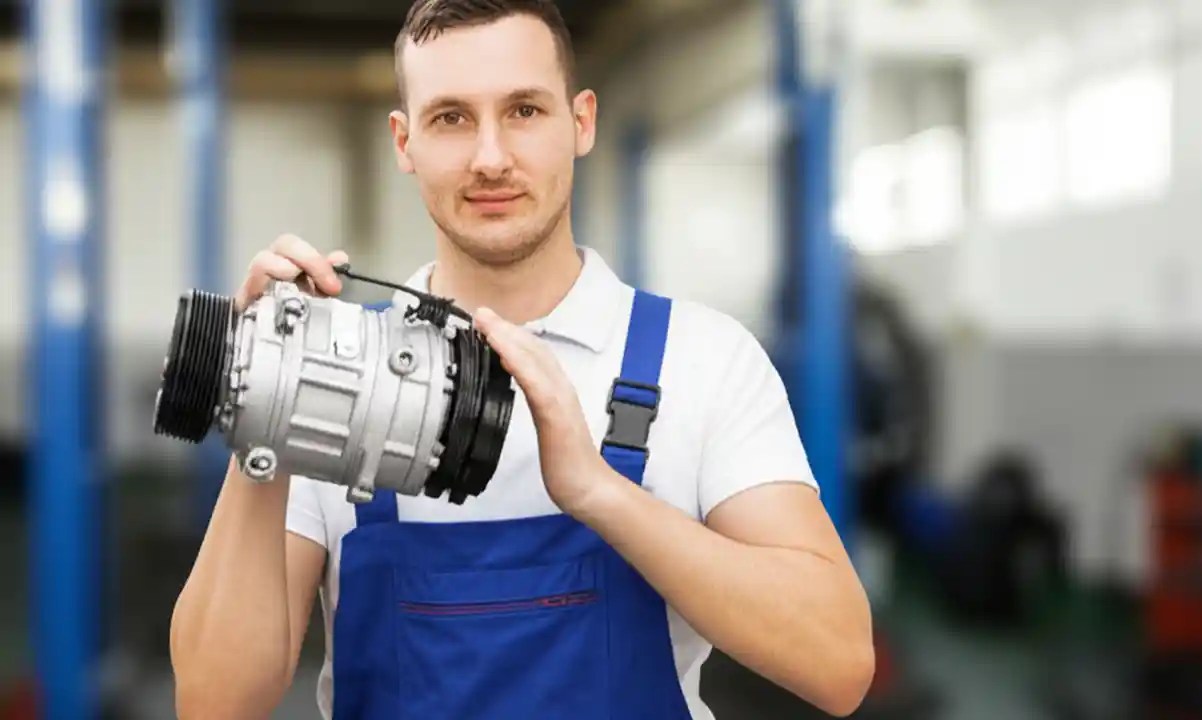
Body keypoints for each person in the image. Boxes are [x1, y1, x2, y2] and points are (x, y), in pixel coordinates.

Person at [168, 1, 875, 718]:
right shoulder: (338, 383)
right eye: (451, 117)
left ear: (582, 121)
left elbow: (838, 662)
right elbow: (214, 704)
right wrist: (268, 405)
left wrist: (600, 494)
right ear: (403, 141)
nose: (490, 157)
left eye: (525, 111)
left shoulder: (704, 361)